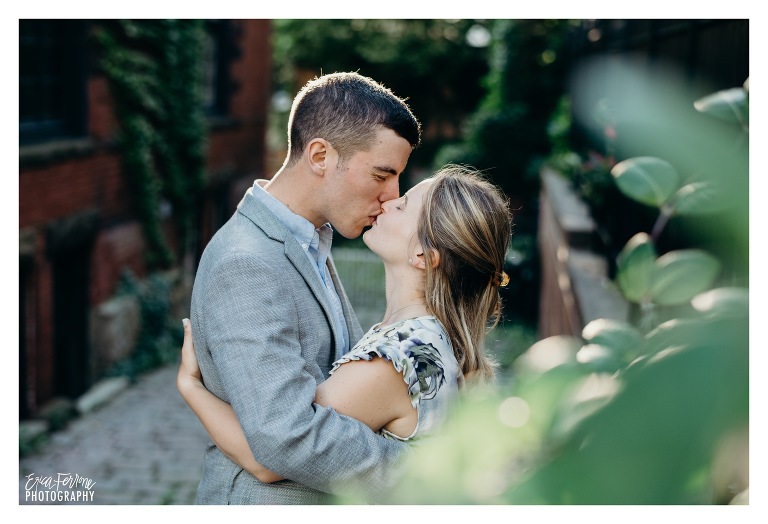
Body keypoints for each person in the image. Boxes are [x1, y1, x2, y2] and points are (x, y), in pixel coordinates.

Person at [178, 165, 513, 501]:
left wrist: (191, 387)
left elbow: (272, 455)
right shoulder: (428, 339)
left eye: (405, 205)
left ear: (423, 255)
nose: (390, 201)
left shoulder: (394, 360)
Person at [185, 71, 422, 504]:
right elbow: (286, 435)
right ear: (319, 156)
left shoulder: (308, 239)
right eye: (381, 175)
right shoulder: (246, 263)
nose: (392, 196)